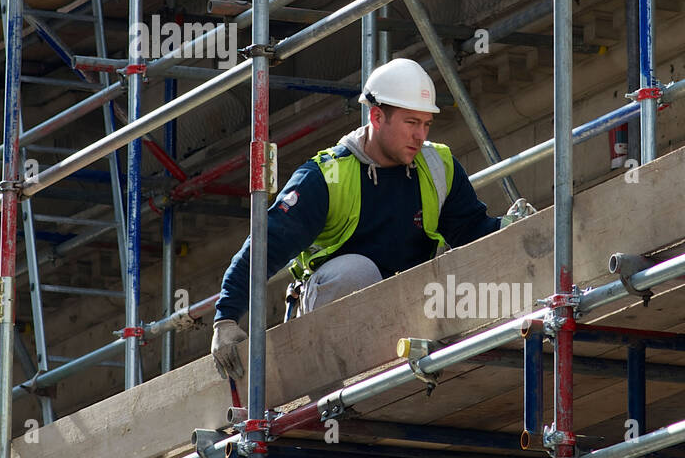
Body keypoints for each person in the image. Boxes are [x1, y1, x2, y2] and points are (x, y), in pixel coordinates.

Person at [210, 57, 534, 380]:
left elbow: (471, 232)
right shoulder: (326, 178)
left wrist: (511, 230)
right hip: (334, 319)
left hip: (410, 311)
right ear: (377, 116)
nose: (420, 135)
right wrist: (226, 318)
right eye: (411, 123)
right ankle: (348, 376)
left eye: (426, 124)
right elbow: (266, 245)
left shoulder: (438, 165)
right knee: (355, 271)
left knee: (452, 269)